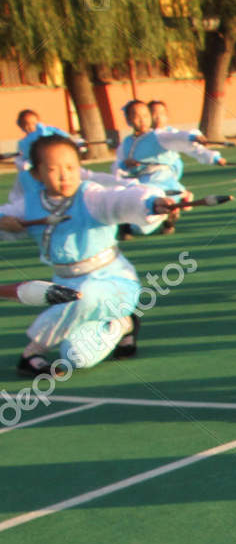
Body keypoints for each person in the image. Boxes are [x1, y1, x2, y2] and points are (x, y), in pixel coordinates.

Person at [0, 128, 180, 376]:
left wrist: (151, 203)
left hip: (114, 283)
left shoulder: (91, 196)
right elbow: (6, 217)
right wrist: (4, 221)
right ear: (37, 173)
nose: (64, 175)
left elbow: (120, 199)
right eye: (53, 169)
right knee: (76, 356)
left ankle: (32, 352)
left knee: (85, 295)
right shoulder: (29, 204)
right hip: (66, 285)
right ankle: (123, 324)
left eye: (71, 168)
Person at [112, 99, 222, 234]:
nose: (142, 120)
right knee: (123, 192)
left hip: (160, 177)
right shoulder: (126, 143)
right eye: (136, 116)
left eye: (145, 116)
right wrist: (124, 164)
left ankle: (170, 213)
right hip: (138, 179)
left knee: (151, 198)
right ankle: (130, 222)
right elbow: (117, 166)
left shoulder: (158, 135)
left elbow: (177, 137)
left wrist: (193, 137)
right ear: (128, 120)